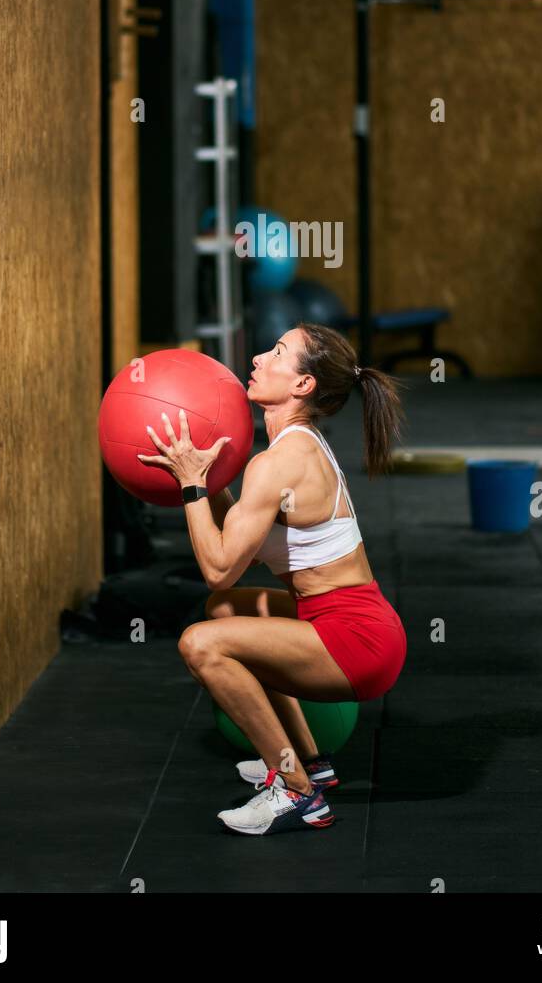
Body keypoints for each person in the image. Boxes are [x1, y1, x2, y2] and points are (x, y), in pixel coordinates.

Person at [138, 323, 407, 836]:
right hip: (351, 622)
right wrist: (209, 479)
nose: (259, 357)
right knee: (224, 611)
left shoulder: (279, 461)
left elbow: (217, 567)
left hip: (358, 642)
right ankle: (312, 764)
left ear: (303, 385)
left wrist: (192, 485)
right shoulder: (300, 446)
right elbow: (246, 552)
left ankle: (296, 792)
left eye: (278, 352)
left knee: (201, 645)